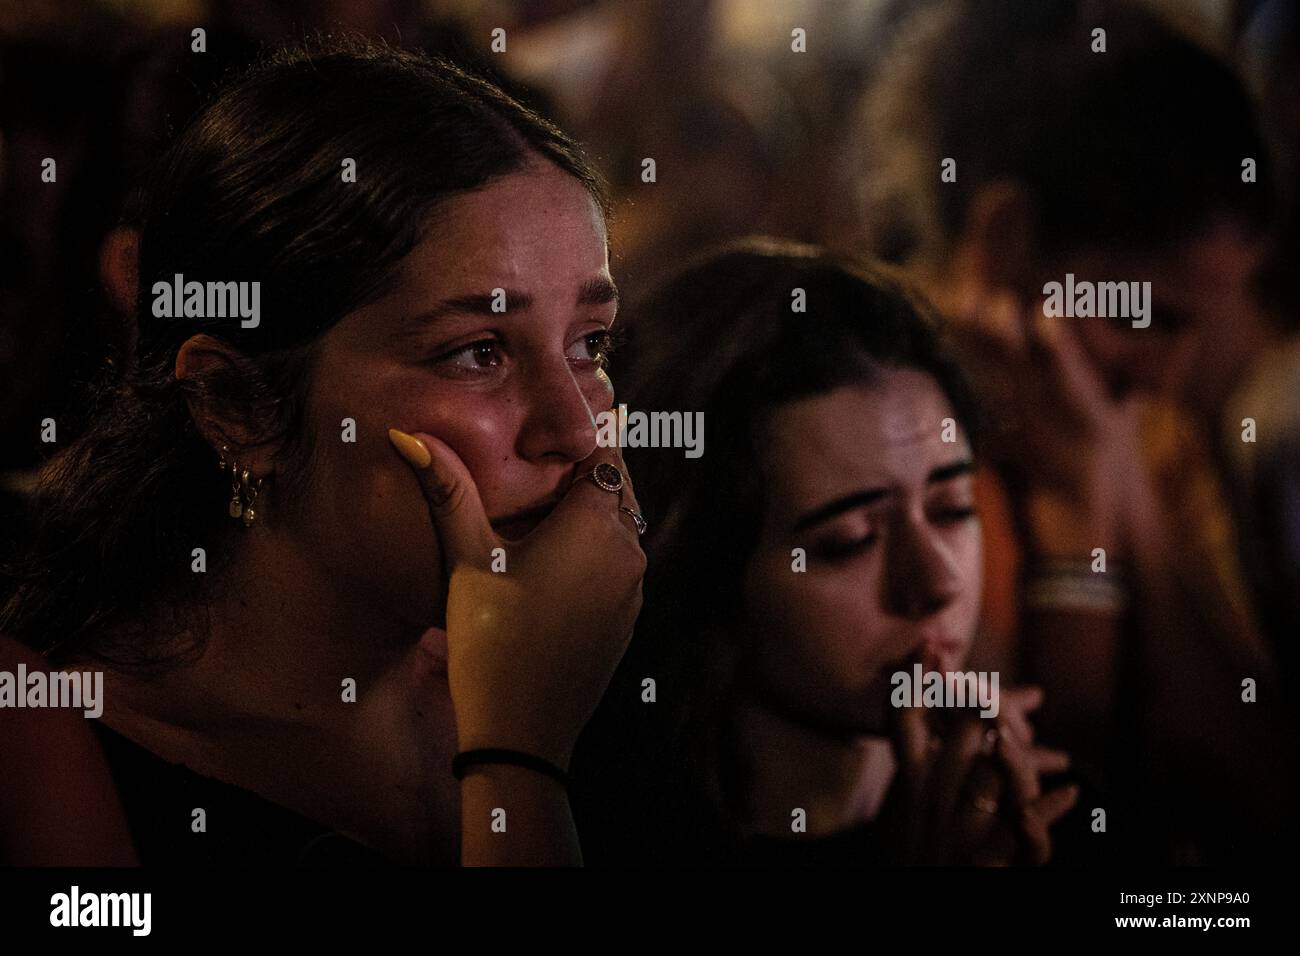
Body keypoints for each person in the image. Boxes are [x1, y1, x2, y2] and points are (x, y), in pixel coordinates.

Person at [0, 38, 645, 866]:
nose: (576, 428)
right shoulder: (66, 757)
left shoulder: (601, 663)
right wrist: (520, 757)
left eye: (590, 343)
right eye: (479, 352)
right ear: (238, 405)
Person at [856, 0, 1291, 861]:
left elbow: (1255, 795)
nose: (1170, 373)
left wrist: (1110, 487)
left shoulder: (1135, 427)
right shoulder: (884, 447)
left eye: (1196, 326)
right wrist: (1078, 512)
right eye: (1151, 317)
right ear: (1008, 238)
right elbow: (1041, 811)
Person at [572, 240, 1079, 865]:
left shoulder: (1044, 809)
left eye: (951, 509)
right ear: (700, 566)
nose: (937, 581)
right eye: (849, 543)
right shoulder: (591, 840)